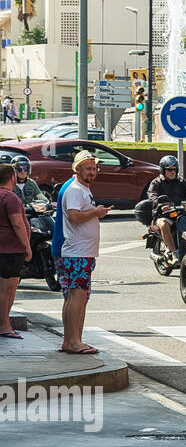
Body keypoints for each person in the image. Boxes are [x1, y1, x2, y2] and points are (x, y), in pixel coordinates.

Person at [58, 150, 111, 355]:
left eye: (94, 168)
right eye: (88, 168)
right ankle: (73, 342)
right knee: (77, 296)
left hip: (82, 252)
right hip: (77, 252)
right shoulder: (75, 190)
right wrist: (96, 212)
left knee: (77, 296)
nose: (93, 172)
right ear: (77, 169)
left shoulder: (82, 189)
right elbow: (74, 216)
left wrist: (96, 213)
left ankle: (71, 340)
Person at [145, 154, 186, 264]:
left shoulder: (180, 181)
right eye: (169, 170)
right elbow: (152, 195)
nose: (172, 172)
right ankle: (174, 252)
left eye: (174, 169)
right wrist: (160, 205)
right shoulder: (156, 183)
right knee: (164, 224)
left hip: (180, 213)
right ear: (163, 170)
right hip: (163, 215)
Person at [0, 164, 32, 340]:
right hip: (10, 249)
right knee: (8, 289)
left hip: (4, 249)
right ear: (12, 178)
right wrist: (27, 246)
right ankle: (4, 326)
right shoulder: (10, 197)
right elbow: (17, 223)